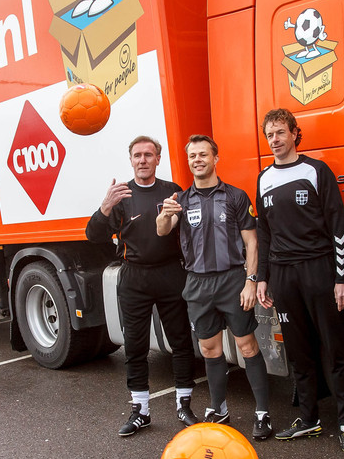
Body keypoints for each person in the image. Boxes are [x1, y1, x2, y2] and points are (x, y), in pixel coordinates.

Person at [254, 108, 344, 454]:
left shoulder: (315, 171)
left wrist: (342, 277)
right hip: (283, 276)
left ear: (295, 134)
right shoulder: (263, 178)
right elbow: (264, 233)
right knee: (298, 352)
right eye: (270, 134)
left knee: (335, 349)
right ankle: (309, 419)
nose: (275, 140)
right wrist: (262, 279)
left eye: (281, 133)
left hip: (319, 269)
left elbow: (337, 225)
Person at [157, 135, 275, 440]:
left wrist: (250, 281)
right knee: (209, 348)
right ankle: (219, 408)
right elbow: (162, 230)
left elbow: (252, 243)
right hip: (197, 283)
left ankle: (263, 414)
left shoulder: (235, 196)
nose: (198, 160)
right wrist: (165, 214)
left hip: (232, 280)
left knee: (247, 345)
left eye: (203, 155)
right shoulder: (179, 200)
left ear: (215, 158)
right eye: (192, 156)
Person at [85, 135, 198, 436]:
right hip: (134, 277)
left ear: (158, 159)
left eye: (149, 154)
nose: (143, 160)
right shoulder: (120, 195)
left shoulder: (172, 191)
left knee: (181, 341)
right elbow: (93, 235)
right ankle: (141, 411)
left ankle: (184, 405)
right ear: (131, 160)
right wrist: (105, 207)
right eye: (137, 155)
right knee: (135, 345)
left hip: (170, 273)